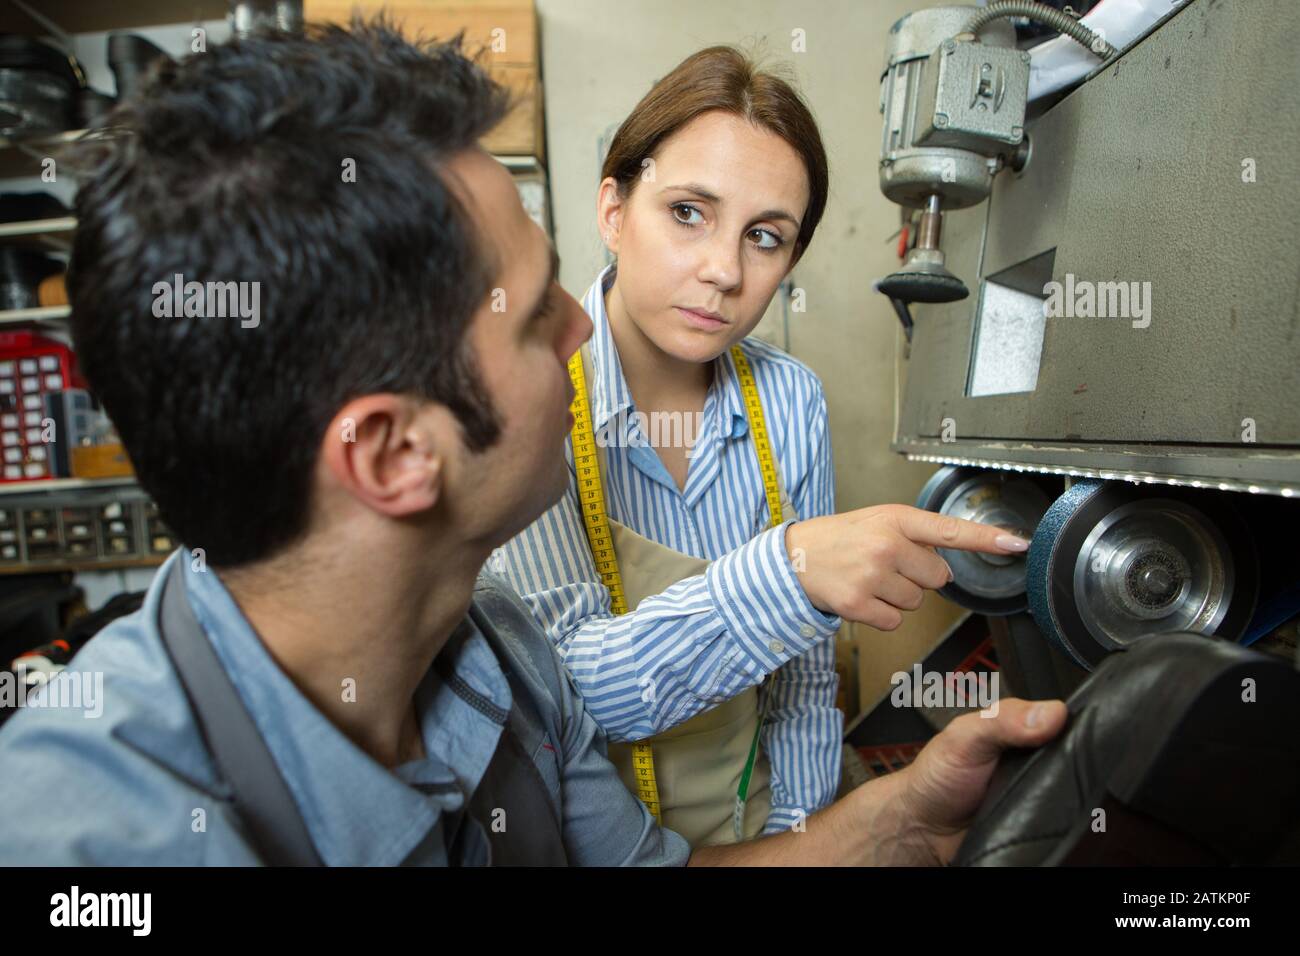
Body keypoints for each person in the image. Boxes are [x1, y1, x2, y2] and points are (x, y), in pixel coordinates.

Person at [0, 21, 1064, 866]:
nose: (576, 326)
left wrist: (890, 826)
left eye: (766, 235)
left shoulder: (493, 656)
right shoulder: (85, 836)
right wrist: (785, 575)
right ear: (390, 456)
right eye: (527, 315)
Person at [492, 47, 1034, 845]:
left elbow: (806, 682)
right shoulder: (530, 395)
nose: (722, 271)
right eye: (687, 212)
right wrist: (792, 573)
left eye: (766, 237)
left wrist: (796, 837)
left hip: (762, 825)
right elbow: (569, 692)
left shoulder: (789, 400)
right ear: (613, 208)